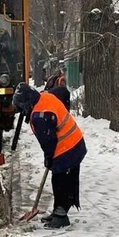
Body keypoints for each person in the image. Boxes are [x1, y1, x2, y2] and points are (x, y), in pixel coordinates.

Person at [12, 83, 86, 229]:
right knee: (60, 177)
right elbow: (62, 92)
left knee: (61, 179)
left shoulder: (40, 116)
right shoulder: (44, 97)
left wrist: (48, 158)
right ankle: (58, 210)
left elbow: (48, 141)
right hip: (73, 142)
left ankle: (61, 216)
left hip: (69, 147)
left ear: (26, 103)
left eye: (20, 107)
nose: (20, 111)